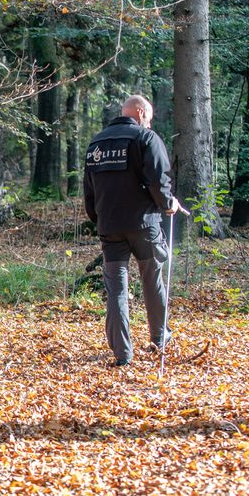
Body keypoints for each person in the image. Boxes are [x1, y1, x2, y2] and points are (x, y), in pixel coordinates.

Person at [83, 95, 180, 367]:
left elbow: (89, 190)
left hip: (110, 227)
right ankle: (159, 338)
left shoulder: (96, 144)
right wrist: (168, 204)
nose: (149, 123)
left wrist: (98, 219)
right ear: (140, 112)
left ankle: (122, 353)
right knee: (152, 279)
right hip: (144, 225)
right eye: (149, 118)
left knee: (116, 288)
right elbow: (159, 179)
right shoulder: (146, 138)